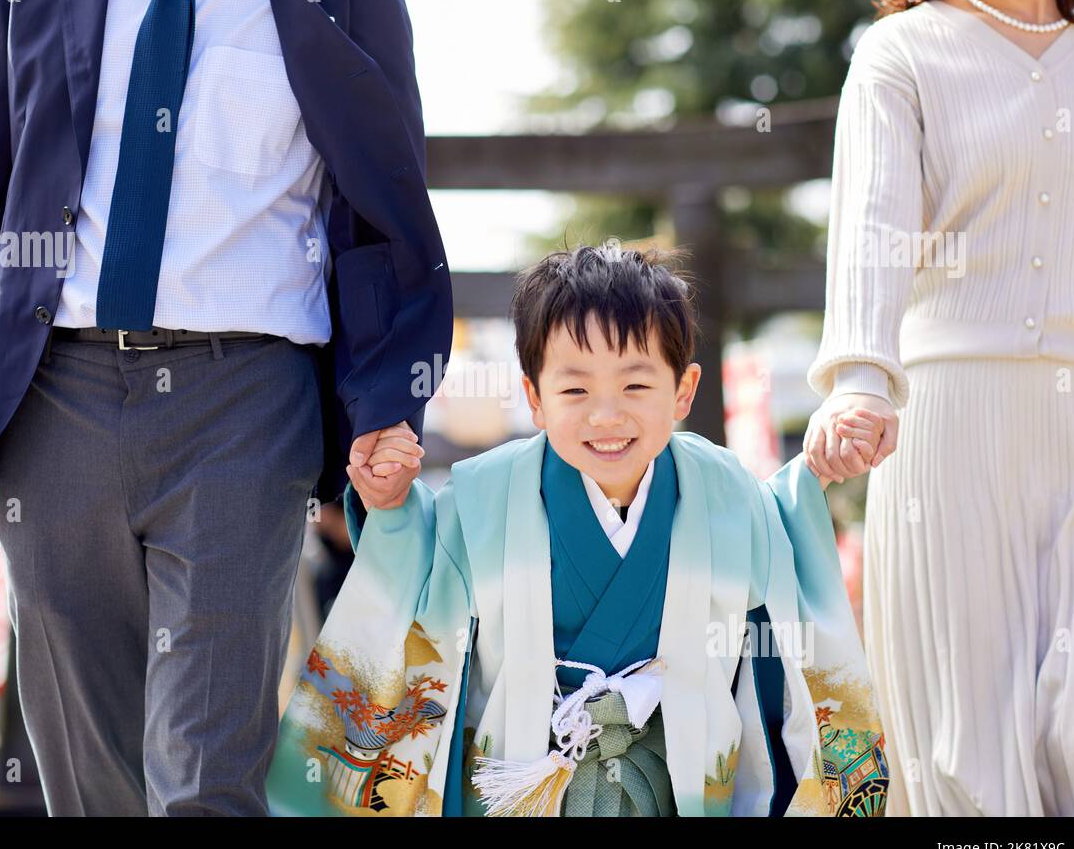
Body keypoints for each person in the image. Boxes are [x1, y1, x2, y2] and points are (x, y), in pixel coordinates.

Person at [0, 0, 450, 815]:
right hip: (55, 398)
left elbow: (388, 193)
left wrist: (386, 400)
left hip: (248, 399)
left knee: (205, 775)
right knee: (89, 783)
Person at [267, 245, 890, 817]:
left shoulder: (731, 497)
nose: (607, 415)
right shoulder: (481, 500)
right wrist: (391, 508)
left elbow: (786, 544)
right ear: (534, 398)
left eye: (636, 384)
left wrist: (815, 475)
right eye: (575, 388)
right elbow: (415, 571)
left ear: (684, 390)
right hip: (524, 788)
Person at [804, 0, 1074, 815]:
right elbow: (872, 221)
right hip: (948, 427)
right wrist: (860, 377)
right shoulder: (899, 53)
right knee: (966, 744)